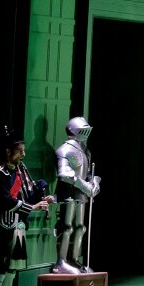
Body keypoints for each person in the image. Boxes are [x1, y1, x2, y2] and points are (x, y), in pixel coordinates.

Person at [0, 130, 54, 286]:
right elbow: (5, 200)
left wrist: (42, 199)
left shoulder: (19, 171)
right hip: (0, 227)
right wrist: (31, 207)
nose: (23, 155)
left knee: (11, 271)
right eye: (20, 151)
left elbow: (26, 195)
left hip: (16, 226)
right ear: (8, 152)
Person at [51, 115, 99, 275]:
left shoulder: (85, 150)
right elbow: (64, 173)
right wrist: (86, 186)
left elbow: (88, 173)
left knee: (80, 228)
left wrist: (94, 183)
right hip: (69, 195)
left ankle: (73, 259)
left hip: (82, 195)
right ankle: (61, 261)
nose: (86, 132)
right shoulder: (65, 149)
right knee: (67, 227)